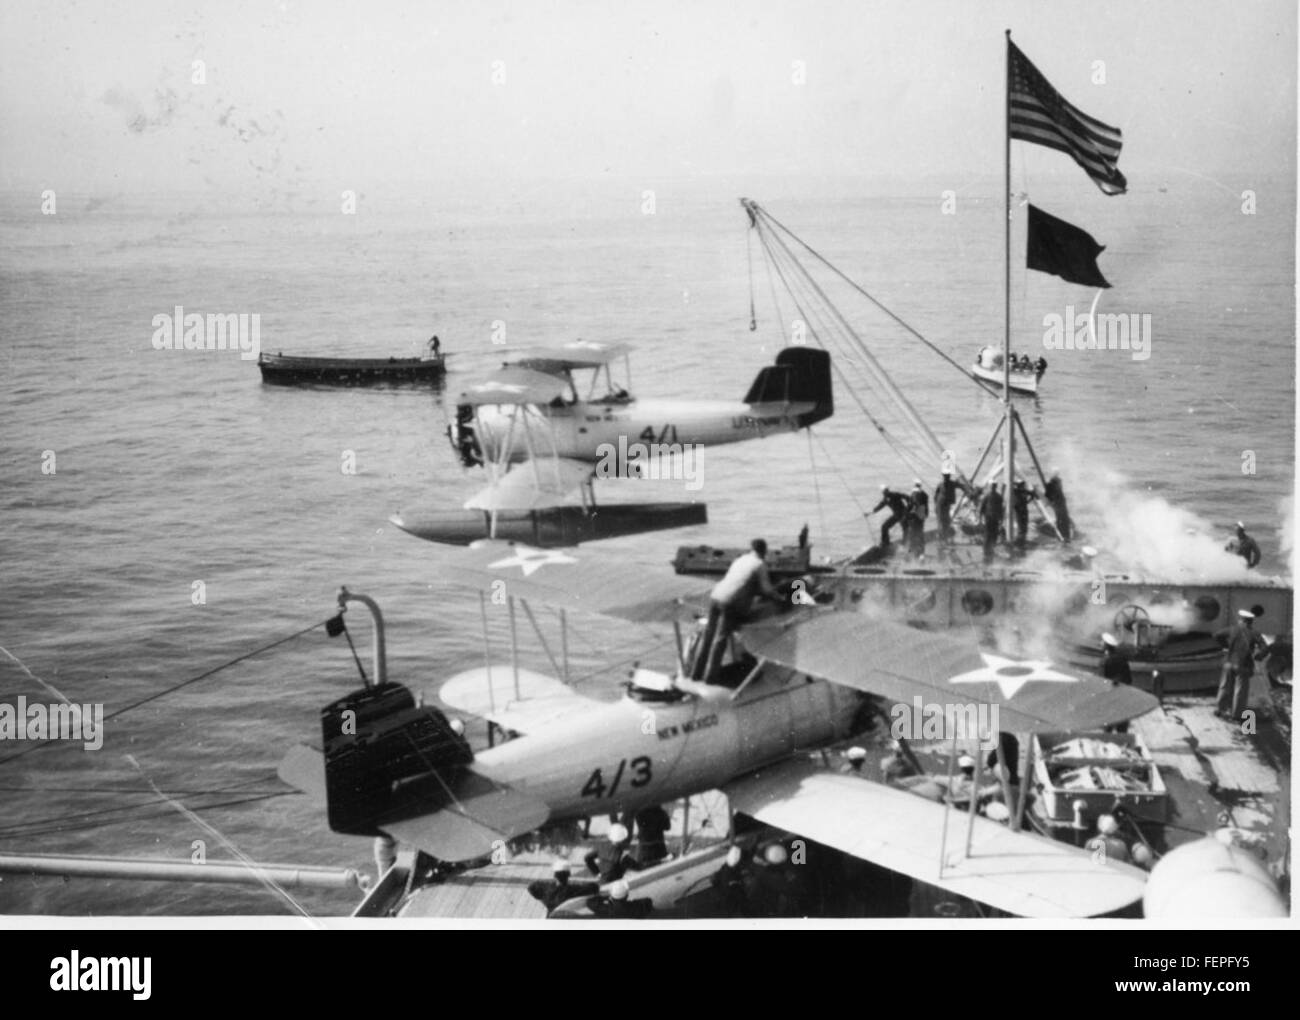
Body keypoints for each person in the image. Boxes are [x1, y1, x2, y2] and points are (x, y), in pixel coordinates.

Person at [693, 538, 782, 681]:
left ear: (751, 549)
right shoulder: (760, 565)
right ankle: (710, 679)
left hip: (715, 596)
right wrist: (779, 597)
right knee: (720, 639)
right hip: (730, 603)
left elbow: (740, 580)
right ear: (764, 551)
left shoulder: (740, 559)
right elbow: (767, 589)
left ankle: (695, 675)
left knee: (708, 637)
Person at [1214, 609, 1268, 722]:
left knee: (1224, 686)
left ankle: (1219, 710)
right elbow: (1265, 648)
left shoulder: (1232, 629)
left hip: (1228, 663)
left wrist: (1226, 645)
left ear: (1241, 620)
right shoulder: (1254, 633)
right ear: (1251, 621)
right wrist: (1259, 656)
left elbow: (1217, 635)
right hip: (1243, 666)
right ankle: (1236, 715)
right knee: (1240, 691)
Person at [528, 860, 598, 915]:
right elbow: (594, 887)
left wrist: (549, 883)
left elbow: (531, 887)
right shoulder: (573, 890)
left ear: (555, 875)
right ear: (569, 875)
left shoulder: (547, 891)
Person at [1099, 633, 1134, 733]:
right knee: (1122, 728)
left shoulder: (1105, 660)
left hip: (1109, 698)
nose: (1100, 644)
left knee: (1107, 726)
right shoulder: (1122, 660)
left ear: (1106, 645)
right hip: (1123, 697)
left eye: (1102, 642)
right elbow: (1129, 679)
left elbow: (1101, 681)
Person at [711, 844, 751, 915]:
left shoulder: (724, 888)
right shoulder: (739, 890)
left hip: (729, 874)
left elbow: (715, 881)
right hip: (733, 874)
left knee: (732, 861)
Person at [588, 879, 653, 919]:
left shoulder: (607, 909)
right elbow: (648, 901)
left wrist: (606, 897)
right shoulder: (635, 907)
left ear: (612, 895)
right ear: (627, 896)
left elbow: (590, 902)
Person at [1043, 468, 1072, 541]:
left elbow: (1047, 494)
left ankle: (1062, 535)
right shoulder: (1058, 481)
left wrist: (1047, 502)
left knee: (1060, 519)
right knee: (1063, 518)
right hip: (1060, 502)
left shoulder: (1051, 482)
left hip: (1058, 502)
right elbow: (1050, 494)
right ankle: (1065, 534)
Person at [979, 483, 1004, 564]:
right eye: (991, 486)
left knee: (994, 535)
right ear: (990, 487)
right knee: (987, 535)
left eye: (994, 486)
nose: (993, 488)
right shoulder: (986, 496)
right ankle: (986, 551)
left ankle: (991, 550)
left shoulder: (999, 497)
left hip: (995, 519)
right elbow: (982, 508)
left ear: (995, 487)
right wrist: (980, 519)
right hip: (988, 518)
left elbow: (1001, 509)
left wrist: (1001, 520)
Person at [906, 480, 929, 558]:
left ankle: (911, 551)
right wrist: (925, 514)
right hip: (921, 515)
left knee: (912, 533)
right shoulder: (925, 494)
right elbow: (926, 507)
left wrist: (906, 513)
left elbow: (910, 505)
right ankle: (921, 553)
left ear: (914, 485)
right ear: (920, 485)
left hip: (914, 516)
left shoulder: (913, 493)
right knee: (920, 533)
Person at [1011, 478, 1036, 549]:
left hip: (1019, 511)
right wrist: (1028, 501)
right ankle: (1021, 542)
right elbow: (1032, 494)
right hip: (1023, 510)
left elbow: (1011, 486)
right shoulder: (1024, 491)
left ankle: (1020, 543)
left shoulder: (1016, 491)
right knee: (1023, 527)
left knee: (1021, 527)